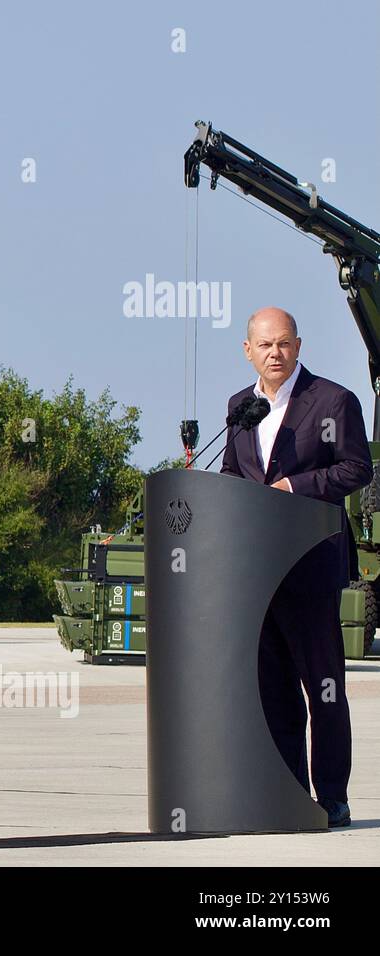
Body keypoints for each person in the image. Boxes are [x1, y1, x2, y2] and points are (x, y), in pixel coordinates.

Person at [220, 307, 372, 827]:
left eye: (283, 344)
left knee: (324, 687)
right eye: (264, 346)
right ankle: (286, 794)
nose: (275, 354)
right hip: (259, 573)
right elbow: (232, 475)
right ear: (248, 351)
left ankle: (332, 796)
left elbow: (356, 467)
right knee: (273, 689)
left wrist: (293, 487)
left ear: (299, 346)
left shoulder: (333, 401)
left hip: (310, 564)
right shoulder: (239, 408)